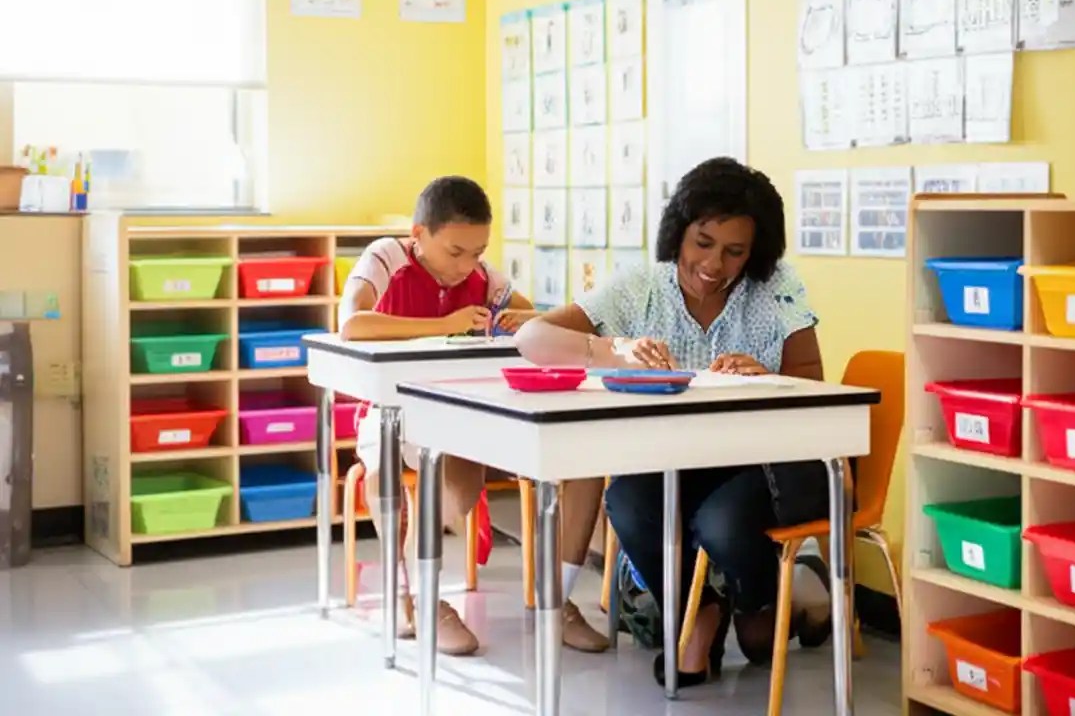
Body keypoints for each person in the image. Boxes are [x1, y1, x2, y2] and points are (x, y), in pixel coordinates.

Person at [513, 157, 835, 687]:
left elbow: (814, 384)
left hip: (765, 463)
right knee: (628, 502)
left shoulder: (775, 287)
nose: (714, 263)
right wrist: (610, 348)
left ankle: (770, 607)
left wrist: (768, 375)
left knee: (723, 530)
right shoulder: (642, 286)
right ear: (678, 232)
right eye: (702, 243)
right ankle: (701, 613)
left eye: (736, 251)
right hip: (677, 462)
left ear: (755, 253)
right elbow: (532, 340)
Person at [338, 176, 611, 656]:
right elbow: (352, 324)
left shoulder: (483, 275)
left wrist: (523, 322)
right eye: (455, 252)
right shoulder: (386, 256)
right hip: (386, 409)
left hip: (461, 413)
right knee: (385, 472)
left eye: (477, 252)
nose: (466, 266)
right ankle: (414, 595)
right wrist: (444, 325)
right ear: (418, 236)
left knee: (466, 474)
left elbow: (535, 319)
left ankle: (554, 602)